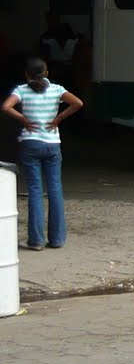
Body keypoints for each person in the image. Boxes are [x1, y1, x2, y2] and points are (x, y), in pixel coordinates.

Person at [4, 57, 83, 251]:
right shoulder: (57, 89)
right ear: (46, 73)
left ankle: (36, 241)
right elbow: (78, 103)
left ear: (26, 75)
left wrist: (23, 118)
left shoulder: (21, 90)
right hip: (52, 145)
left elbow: (6, 107)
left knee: (35, 191)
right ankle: (56, 240)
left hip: (30, 145)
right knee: (55, 189)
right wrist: (58, 119)